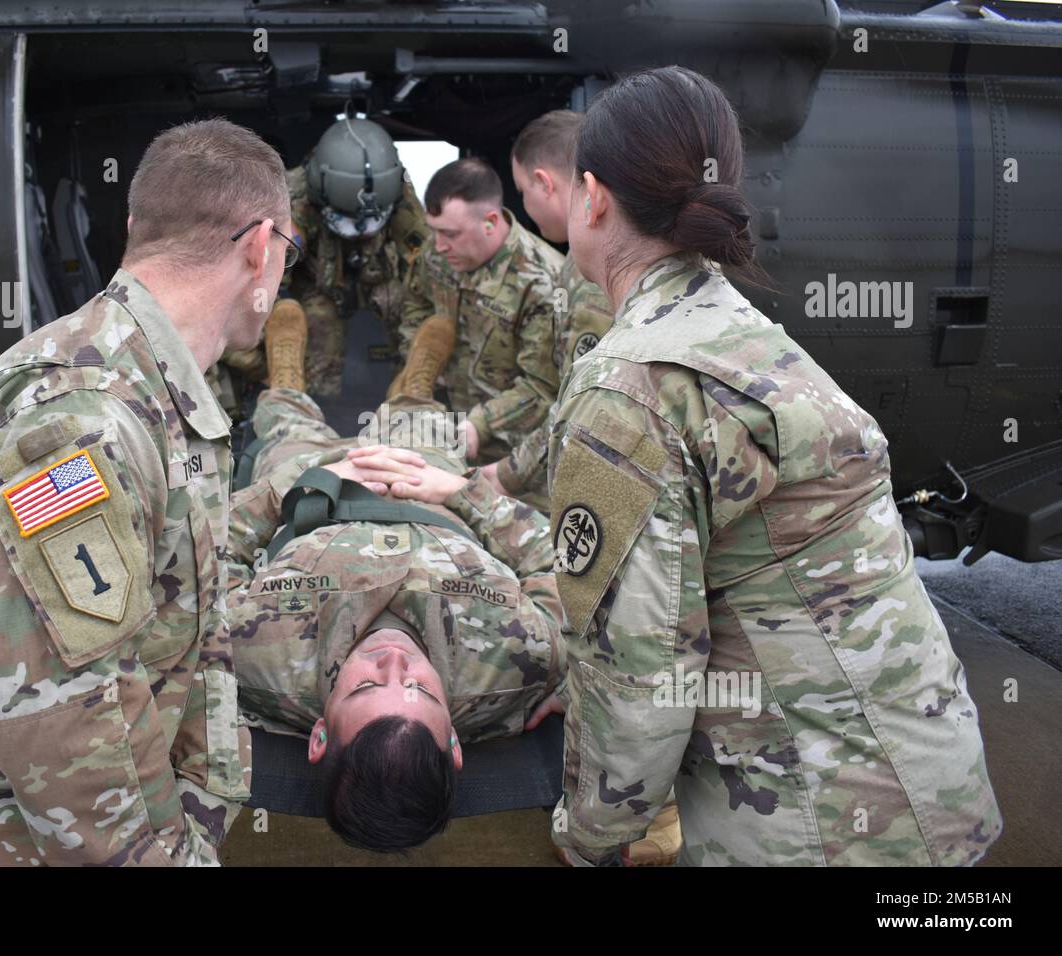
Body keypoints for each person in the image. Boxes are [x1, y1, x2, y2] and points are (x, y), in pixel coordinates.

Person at [393, 67, 1004, 866]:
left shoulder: (631, 389)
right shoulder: (739, 333)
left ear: (593, 197)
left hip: (810, 826)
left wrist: (588, 834)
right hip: (927, 784)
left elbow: (640, 677)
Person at [0, 118, 297, 866]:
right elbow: (61, 715)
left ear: (135, 226)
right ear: (260, 246)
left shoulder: (141, 388)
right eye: (289, 251)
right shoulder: (86, 419)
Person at [221, 304, 562, 852]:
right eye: (421, 689)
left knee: (282, 419)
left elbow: (208, 556)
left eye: (364, 685)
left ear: (318, 736)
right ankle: (416, 377)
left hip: (308, 494)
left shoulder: (252, 657)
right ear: (454, 741)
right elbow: (558, 566)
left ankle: (284, 373)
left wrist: (303, 484)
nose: (395, 661)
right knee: (418, 413)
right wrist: (461, 493)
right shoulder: (518, 663)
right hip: (428, 488)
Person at [217, 116, 431, 402]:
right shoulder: (292, 199)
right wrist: (261, 367)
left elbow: (424, 264)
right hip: (315, 282)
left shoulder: (395, 196)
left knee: (410, 304)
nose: (358, 229)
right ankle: (312, 403)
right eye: (347, 217)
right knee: (310, 319)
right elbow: (266, 281)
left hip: (377, 276)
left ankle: (408, 393)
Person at [478, 110, 615, 512]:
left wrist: (506, 475)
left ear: (543, 182)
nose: (524, 205)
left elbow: (582, 402)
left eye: (522, 191)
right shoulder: (583, 258)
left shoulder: (589, 271)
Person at [397, 158, 563, 466]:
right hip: (439, 421)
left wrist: (479, 426)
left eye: (450, 234)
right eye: (434, 232)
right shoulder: (437, 254)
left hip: (513, 454)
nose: (440, 245)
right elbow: (415, 304)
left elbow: (542, 387)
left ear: (490, 222)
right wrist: (417, 361)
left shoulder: (542, 283)